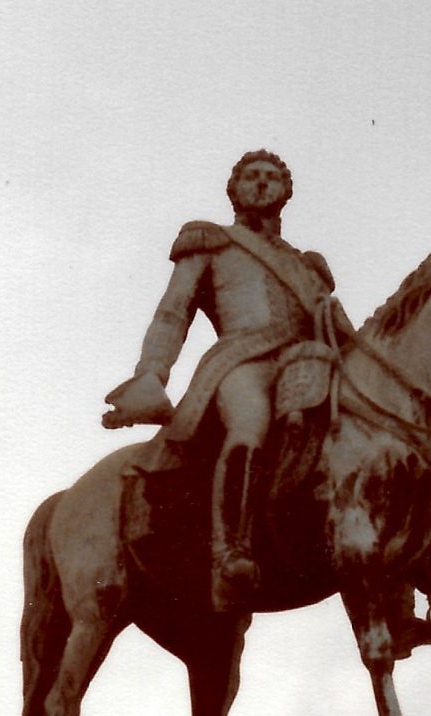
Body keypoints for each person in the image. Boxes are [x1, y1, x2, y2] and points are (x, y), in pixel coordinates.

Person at [102, 150, 339, 613]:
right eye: (252, 177)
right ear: (234, 189)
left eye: (272, 178)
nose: (262, 184)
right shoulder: (211, 241)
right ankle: (230, 550)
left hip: (306, 366)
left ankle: (398, 594)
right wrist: (152, 374)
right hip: (241, 360)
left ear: (287, 192)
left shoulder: (309, 266)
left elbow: (340, 331)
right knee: (249, 426)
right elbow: (173, 312)